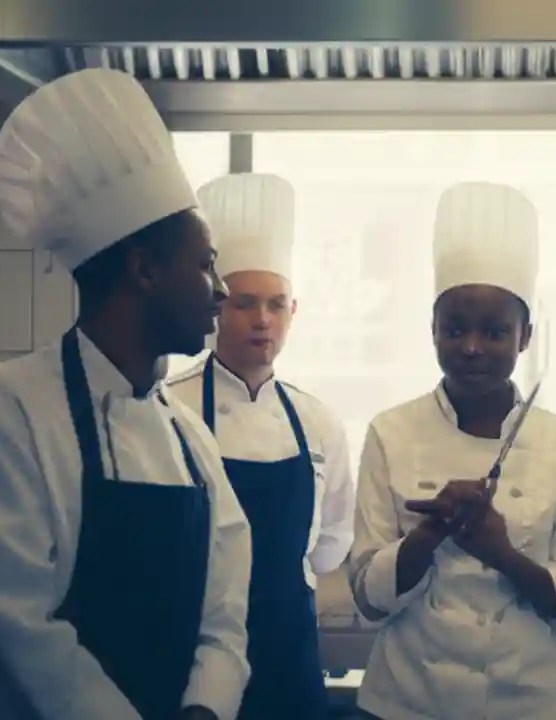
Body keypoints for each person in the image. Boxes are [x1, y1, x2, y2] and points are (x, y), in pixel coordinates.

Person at [0, 68, 251, 720]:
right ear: (144, 269)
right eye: (206, 262)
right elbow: (12, 630)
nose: (222, 289)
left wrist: (203, 709)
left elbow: (224, 615)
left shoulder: (188, 439)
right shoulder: (3, 419)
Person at [348, 181, 556, 720]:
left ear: (525, 336)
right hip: (404, 702)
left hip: (525, 705)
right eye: (455, 329)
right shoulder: (390, 431)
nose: (472, 347)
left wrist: (500, 552)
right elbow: (368, 598)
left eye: (494, 331)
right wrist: (429, 533)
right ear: (433, 331)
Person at [169, 173, 354, 720]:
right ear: (216, 308)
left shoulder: (316, 421)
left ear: (293, 312)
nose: (262, 320)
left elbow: (331, 546)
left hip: (290, 658)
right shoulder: (171, 408)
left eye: (276, 305)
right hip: (193, 655)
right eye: (245, 303)